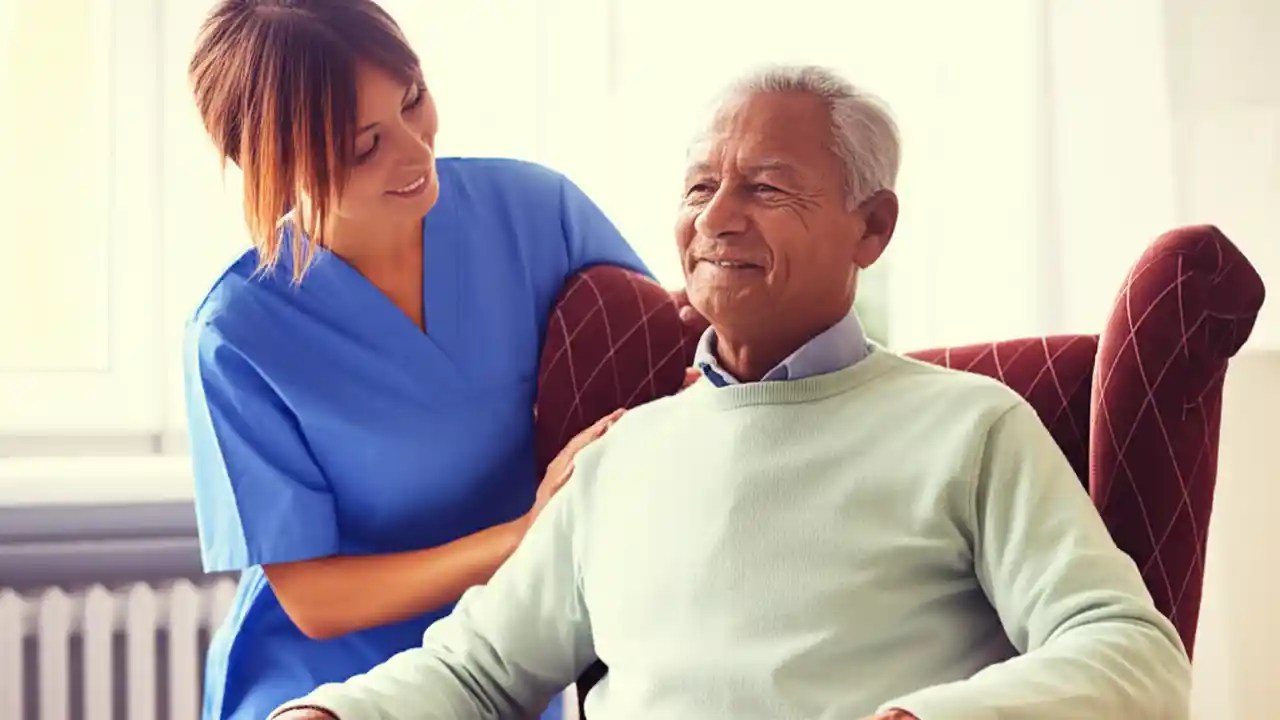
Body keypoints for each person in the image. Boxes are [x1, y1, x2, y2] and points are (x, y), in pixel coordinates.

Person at [269, 65, 1192, 720]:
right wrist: (325, 715)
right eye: (701, 186)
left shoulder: (971, 426)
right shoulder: (620, 454)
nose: (715, 219)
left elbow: (1132, 652)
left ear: (871, 229)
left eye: (766, 188)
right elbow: (475, 675)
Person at [180, 2, 672, 719]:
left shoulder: (538, 216)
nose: (415, 153)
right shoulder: (237, 333)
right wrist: (521, 539)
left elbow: (663, 368)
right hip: (318, 681)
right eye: (363, 146)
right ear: (277, 167)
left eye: (413, 100)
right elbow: (315, 600)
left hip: (499, 659)